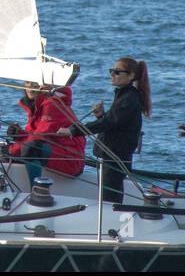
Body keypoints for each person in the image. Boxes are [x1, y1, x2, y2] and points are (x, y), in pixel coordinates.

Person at [57, 57, 150, 204]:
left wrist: (73, 131)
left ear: (131, 76)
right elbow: (115, 122)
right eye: (111, 71)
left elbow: (110, 122)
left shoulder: (129, 98)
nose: (112, 74)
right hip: (113, 155)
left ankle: (111, 223)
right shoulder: (125, 95)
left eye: (117, 72)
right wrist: (101, 115)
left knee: (110, 197)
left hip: (116, 156)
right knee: (110, 194)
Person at [5, 83, 85, 181]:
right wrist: (19, 135)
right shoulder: (39, 104)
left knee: (31, 148)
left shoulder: (51, 105)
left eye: (34, 83)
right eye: (27, 83)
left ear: (44, 86)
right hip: (58, 152)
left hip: (71, 161)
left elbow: (39, 137)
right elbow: (36, 133)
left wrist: (11, 150)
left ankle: (36, 191)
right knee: (27, 148)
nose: (30, 87)